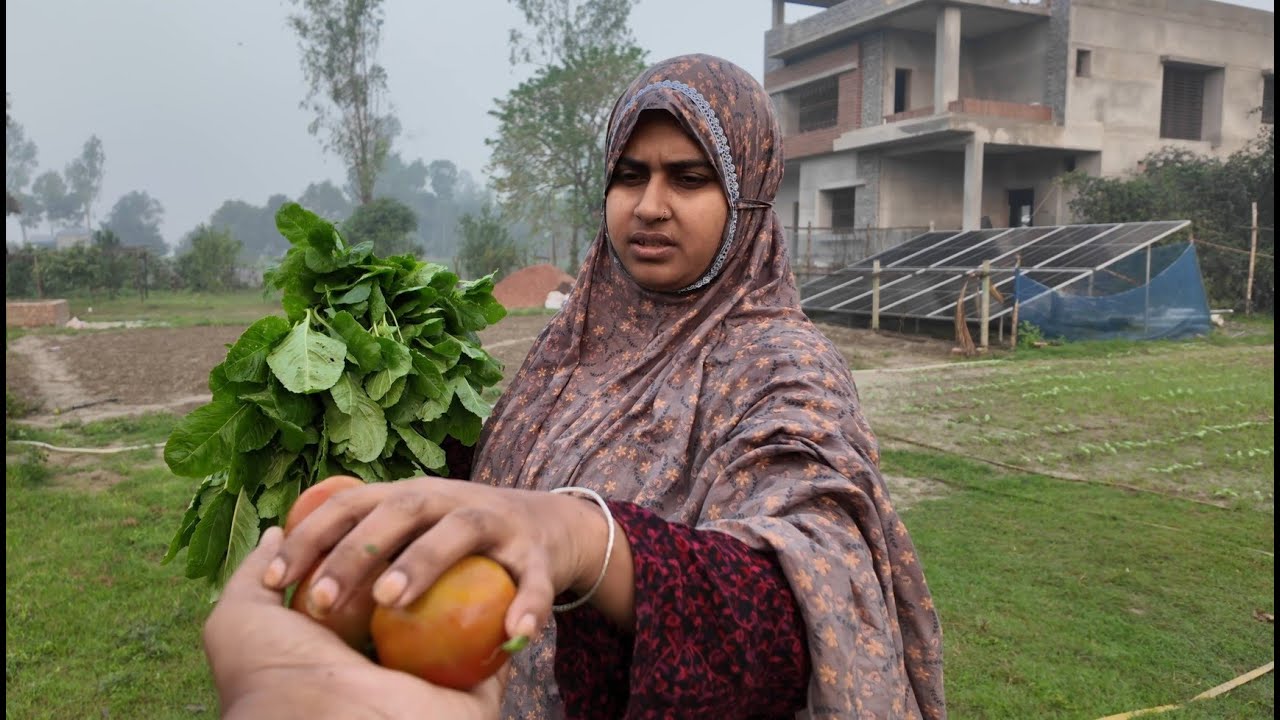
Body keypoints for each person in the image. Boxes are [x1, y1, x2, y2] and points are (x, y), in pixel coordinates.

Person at [232, 54, 946, 719]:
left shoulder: (781, 363)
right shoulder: (579, 336)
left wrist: (583, 538)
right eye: (629, 175)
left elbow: (801, 606)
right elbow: (506, 479)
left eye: (689, 179)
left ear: (750, 199)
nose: (649, 205)